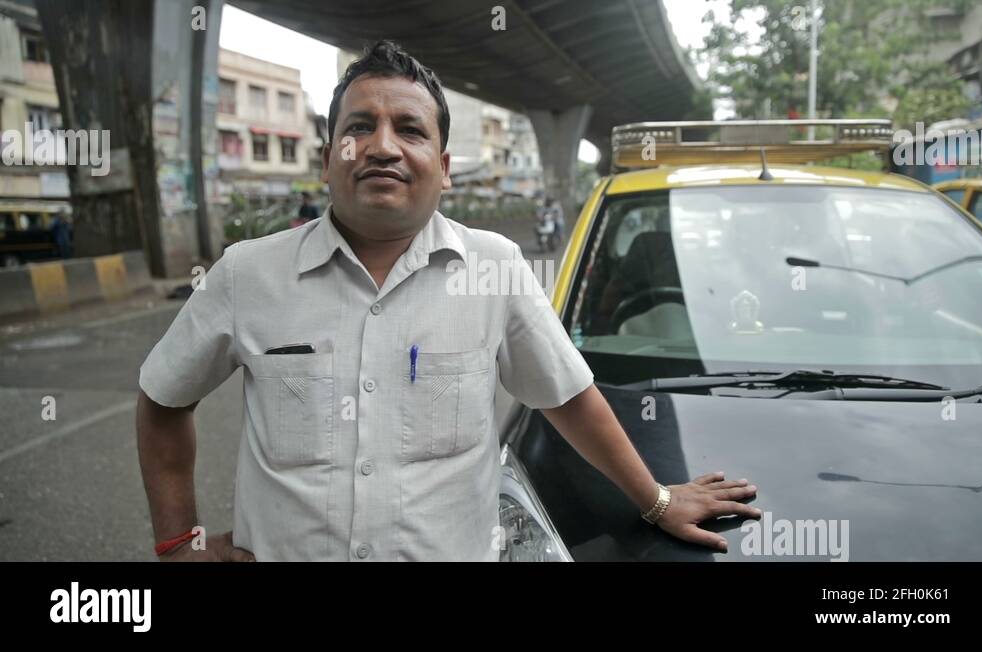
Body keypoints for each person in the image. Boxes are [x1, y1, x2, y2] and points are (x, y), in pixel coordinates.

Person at [136, 40, 759, 562]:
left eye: (410, 129)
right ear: (328, 160)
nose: (383, 146)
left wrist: (655, 500)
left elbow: (567, 397)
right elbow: (164, 399)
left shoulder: (493, 267)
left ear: (445, 165)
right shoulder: (249, 273)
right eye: (359, 128)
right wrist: (179, 544)